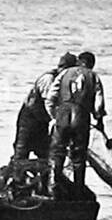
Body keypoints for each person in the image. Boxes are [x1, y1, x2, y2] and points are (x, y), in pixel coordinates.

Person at [45, 50, 106, 197]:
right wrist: (99, 120)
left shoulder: (64, 74)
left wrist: (54, 116)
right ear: (91, 64)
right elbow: (99, 104)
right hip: (81, 118)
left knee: (57, 152)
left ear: (79, 61)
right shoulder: (93, 76)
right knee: (79, 155)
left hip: (63, 115)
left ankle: (53, 187)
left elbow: (50, 98)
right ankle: (79, 191)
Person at [13, 53, 77, 163]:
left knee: (44, 152)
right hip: (29, 119)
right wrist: (56, 119)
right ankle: (16, 176)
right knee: (22, 151)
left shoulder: (64, 81)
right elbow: (49, 101)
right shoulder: (48, 79)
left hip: (43, 120)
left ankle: (44, 177)